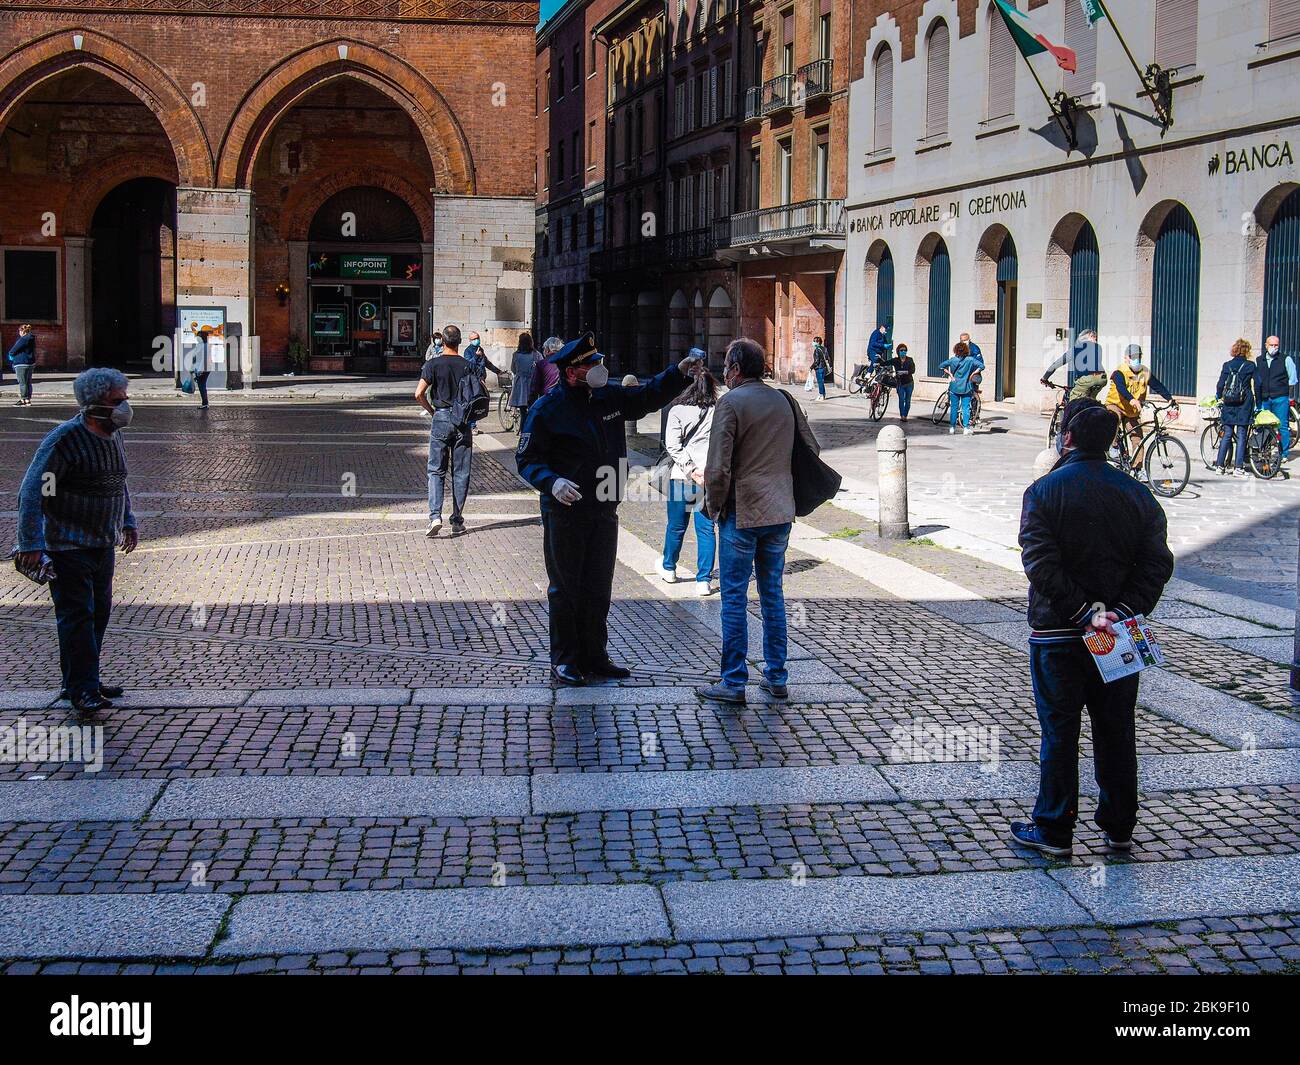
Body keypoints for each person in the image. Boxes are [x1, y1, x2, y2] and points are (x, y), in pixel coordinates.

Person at [1013, 401, 1174, 857]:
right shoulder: (1138, 494)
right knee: (1116, 730)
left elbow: (1039, 563)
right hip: (1117, 634)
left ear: (1067, 440)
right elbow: (1158, 563)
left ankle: (1054, 829)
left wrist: (1084, 612)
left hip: (1058, 633)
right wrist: (1121, 610)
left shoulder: (1042, 492)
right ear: (1111, 443)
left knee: (1059, 732)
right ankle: (1120, 825)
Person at [517, 332, 702, 686]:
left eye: (599, 360)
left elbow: (646, 397)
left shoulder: (608, 397)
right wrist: (552, 482)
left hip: (605, 508)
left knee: (598, 586)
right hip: (566, 513)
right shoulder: (547, 409)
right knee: (566, 587)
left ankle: (595, 655)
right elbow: (527, 458)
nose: (599, 367)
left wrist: (677, 372)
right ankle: (565, 659)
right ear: (572, 371)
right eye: (591, 363)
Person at [696, 338, 821, 706]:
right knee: (773, 595)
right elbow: (810, 448)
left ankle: (733, 681)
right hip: (780, 512)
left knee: (734, 597)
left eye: (725, 365)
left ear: (735, 369)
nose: (722, 371)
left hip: (742, 512)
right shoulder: (784, 399)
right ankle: (777, 676)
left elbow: (717, 468)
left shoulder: (730, 403)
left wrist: (713, 508)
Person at [14, 368, 139, 715]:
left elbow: (119, 481)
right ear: (96, 402)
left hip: (102, 544)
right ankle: (83, 689)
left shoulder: (114, 435)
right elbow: (36, 491)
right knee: (77, 617)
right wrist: (31, 544)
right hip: (67, 546)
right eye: (118, 401)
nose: (125, 406)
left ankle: (83, 679)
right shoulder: (65, 440)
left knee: (97, 615)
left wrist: (127, 522)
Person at [660, 366, 718, 596]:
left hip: (682, 478)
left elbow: (672, 445)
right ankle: (703, 580)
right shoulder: (718, 410)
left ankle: (669, 568)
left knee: (676, 526)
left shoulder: (677, 410)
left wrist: (689, 467)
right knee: (706, 530)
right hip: (707, 478)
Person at [415, 323, 474, 538]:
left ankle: (435, 516)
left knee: (436, 470)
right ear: (459, 342)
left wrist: (432, 411)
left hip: (440, 417)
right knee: (460, 472)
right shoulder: (468, 365)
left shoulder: (433, 364)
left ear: (443, 341)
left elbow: (419, 393)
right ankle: (457, 520)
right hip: (463, 420)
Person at [1102, 344, 1179, 477]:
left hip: (1132, 410)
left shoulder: (1145, 372)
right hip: (1116, 404)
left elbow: (1157, 385)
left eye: (1138, 356)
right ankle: (1113, 446)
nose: (1136, 359)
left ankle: (1138, 469)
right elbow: (1121, 388)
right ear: (1126, 358)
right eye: (1133, 357)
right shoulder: (1120, 372)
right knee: (1114, 417)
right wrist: (1132, 399)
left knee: (1137, 437)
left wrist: (1169, 399)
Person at [1213, 338, 1260, 476]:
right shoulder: (1250, 365)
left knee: (1227, 434)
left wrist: (1218, 396)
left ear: (1234, 350)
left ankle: (1220, 466)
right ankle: (1238, 467)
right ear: (1247, 351)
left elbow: (1220, 384)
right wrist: (1259, 402)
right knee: (1241, 435)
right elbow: (1258, 384)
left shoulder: (1226, 365)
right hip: (1244, 403)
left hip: (1229, 403)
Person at [1256, 335, 1296, 460]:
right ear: (1266, 345)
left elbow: (1293, 379)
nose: (1274, 347)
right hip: (1265, 398)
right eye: (1271, 345)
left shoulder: (1285, 359)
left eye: (1276, 345)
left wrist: (1286, 394)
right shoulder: (1259, 360)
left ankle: (1284, 454)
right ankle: (1264, 450)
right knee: (1263, 425)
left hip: (1280, 398)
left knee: (1282, 426)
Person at [1041, 328, 1106, 400]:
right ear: (1090, 336)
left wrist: (1044, 378)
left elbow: (1055, 365)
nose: (1095, 339)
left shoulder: (1076, 349)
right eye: (1094, 337)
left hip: (1088, 380)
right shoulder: (1098, 347)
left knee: (1073, 402)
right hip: (1102, 378)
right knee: (1091, 400)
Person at [939, 341, 980, 435]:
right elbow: (982, 366)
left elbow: (941, 366)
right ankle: (966, 428)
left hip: (954, 387)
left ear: (956, 350)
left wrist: (950, 375)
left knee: (954, 408)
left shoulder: (952, 360)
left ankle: (952, 428)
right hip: (966, 387)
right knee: (966, 408)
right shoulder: (970, 360)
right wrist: (973, 374)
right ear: (966, 350)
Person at [508, 332, 541, 414]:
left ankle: (523, 426)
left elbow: (513, 369)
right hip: (533, 384)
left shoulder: (516, 355)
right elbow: (542, 367)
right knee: (532, 408)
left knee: (523, 412)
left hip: (520, 385)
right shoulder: (536, 354)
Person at [6, 324, 36, 406]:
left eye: (19, 331)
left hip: (21, 363)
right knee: (28, 382)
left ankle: (24, 399)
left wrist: (11, 356)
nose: (19, 333)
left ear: (22, 331)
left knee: (22, 382)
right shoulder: (32, 338)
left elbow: (13, 350)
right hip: (30, 363)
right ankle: (28, 399)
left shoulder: (23, 339)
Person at [885, 342, 915, 420]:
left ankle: (905, 416)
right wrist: (877, 361)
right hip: (900, 384)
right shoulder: (895, 360)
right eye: (901, 350)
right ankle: (902, 416)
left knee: (907, 400)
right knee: (901, 399)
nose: (903, 352)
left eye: (905, 350)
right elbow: (886, 363)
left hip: (909, 383)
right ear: (898, 351)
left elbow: (913, 370)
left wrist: (905, 372)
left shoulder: (910, 360)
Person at [531, 336, 563, 400]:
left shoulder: (541, 364)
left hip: (546, 400)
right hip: (563, 399)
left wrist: (532, 406)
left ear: (548, 350)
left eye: (544, 348)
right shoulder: (566, 362)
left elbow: (534, 388)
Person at [810, 336, 829, 401]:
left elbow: (816, 361)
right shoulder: (824, 349)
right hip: (823, 367)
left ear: (817, 342)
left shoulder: (817, 350)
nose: (813, 343)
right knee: (822, 382)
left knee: (820, 382)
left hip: (819, 368)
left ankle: (821, 395)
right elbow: (827, 358)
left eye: (814, 341)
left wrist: (811, 367)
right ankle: (823, 394)